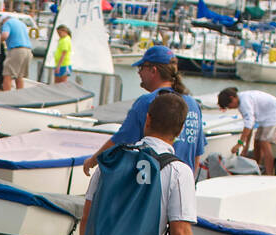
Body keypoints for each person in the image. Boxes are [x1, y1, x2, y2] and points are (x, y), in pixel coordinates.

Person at [77, 91, 197, 235]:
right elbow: (180, 232)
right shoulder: (178, 171)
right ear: (180, 130)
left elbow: (87, 217)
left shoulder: (110, 161)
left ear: (148, 120)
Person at [81, 45, 205, 175]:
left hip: (154, 186)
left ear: (153, 70)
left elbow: (121, 140)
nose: (139, 73)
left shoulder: (148, 102)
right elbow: (197, 154)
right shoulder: (193, 104)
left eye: (141, 68)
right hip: (182, 183)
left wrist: (92, 161)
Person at [217, 86, 276, 176]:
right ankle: (257, 168)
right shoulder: (240, 101)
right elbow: (249, 127)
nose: (230, 108)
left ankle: (270, 174)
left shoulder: (244, 102)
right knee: (256, 141)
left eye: (229, 106)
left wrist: (239, 144)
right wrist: (246, 146)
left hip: (275, 114)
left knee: (264, 142)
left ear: (232, 98)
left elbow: (248, 125)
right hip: (265, 117)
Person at [0, 13, 33, 90]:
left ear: (3, 20)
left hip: (17, 50)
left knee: (7, 75)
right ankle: (18, 96)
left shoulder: (7, 23)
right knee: (19, 76)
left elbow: (5, 35)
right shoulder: (21, 24)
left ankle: (6, 96)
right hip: (28, 51)